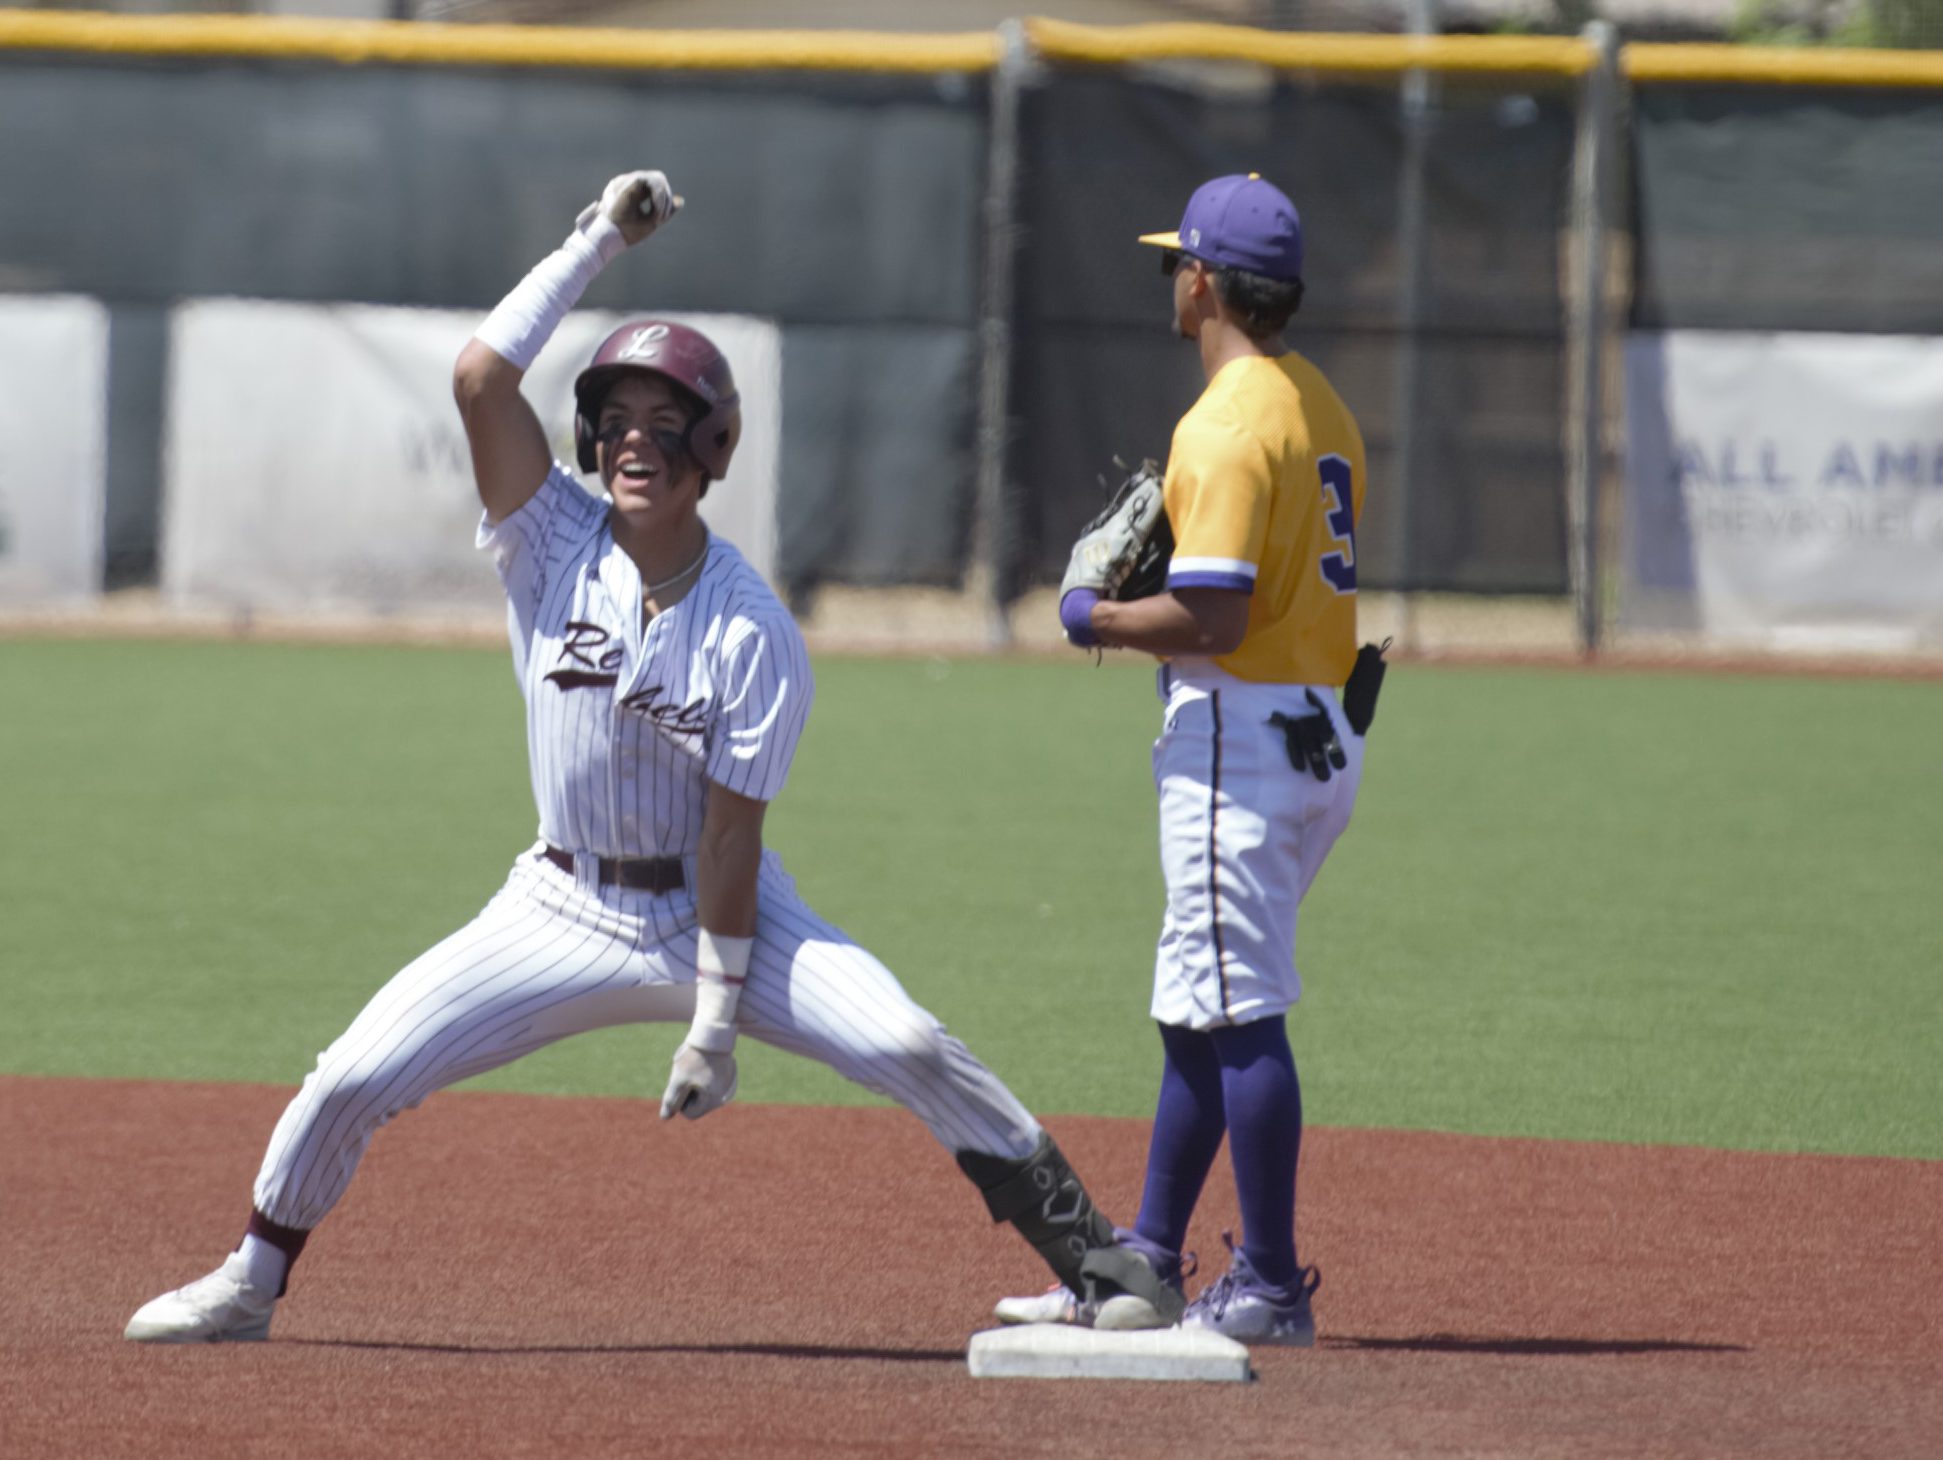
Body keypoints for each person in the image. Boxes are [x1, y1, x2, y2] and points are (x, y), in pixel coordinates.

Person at [124, 169, 1174, 1344]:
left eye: (663, 420)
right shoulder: (549, 537)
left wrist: (716, 1024)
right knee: (353, 1072)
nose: (634, 440)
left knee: (905, 1039)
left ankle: (1101, 1267)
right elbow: (479, 376)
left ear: (713, 445)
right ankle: (250, 1280)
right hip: (558, 901)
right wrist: (595, 242)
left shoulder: (750, 628)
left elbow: (730, 838)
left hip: (714, 910)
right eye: (615, 418)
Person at [996, 173, 1369, 1346]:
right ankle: (1144, 1261)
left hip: (1237, 739)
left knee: (1239, 1009)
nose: (1170, 279)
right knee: (1199, 1008)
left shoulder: (1219, 422)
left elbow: (1207, 618)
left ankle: (1264, 1279)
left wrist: (1084, 615)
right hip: (1317, 730)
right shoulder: (1317, 402)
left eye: (1175, 263)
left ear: (1203, 281)